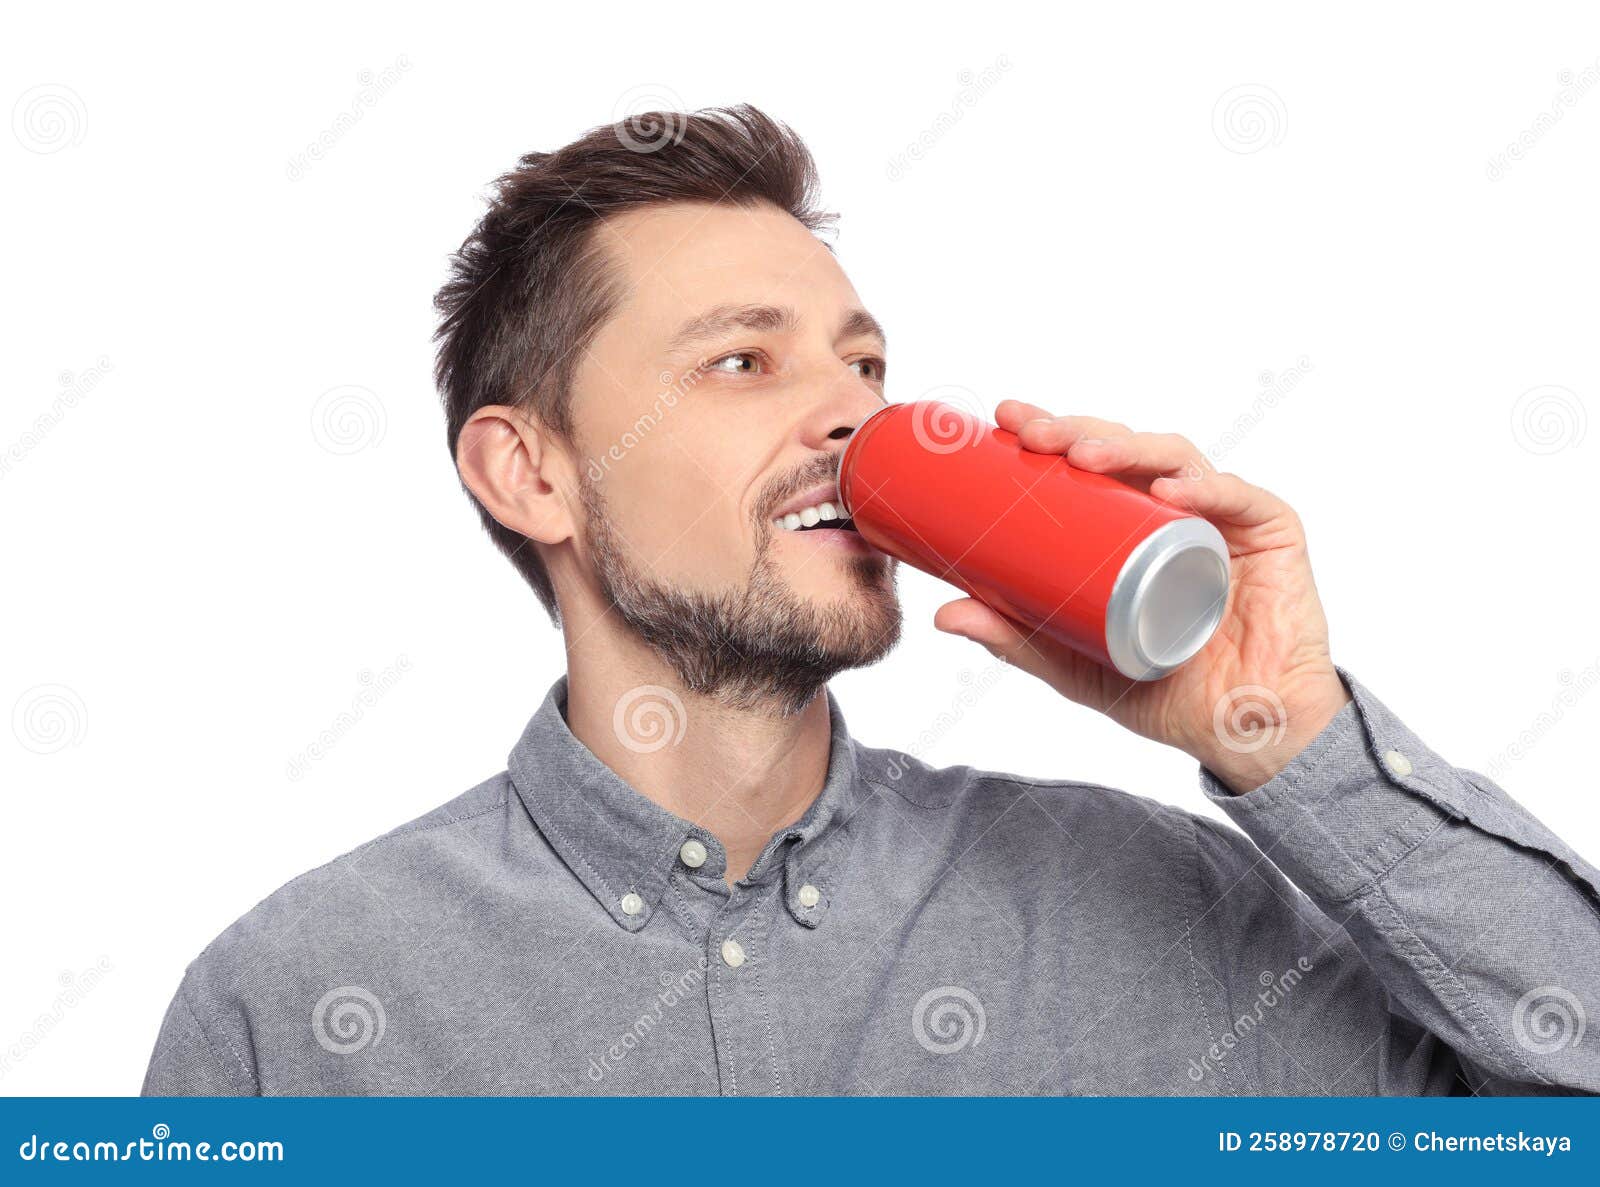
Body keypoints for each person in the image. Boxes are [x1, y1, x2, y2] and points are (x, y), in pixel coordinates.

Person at [143, 106, 1599, 1096]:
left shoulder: (1174, 919)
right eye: (742, 362)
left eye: (866, 366)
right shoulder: (301, 1010)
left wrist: (1292, 737)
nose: (854, 417)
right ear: (531, 474)